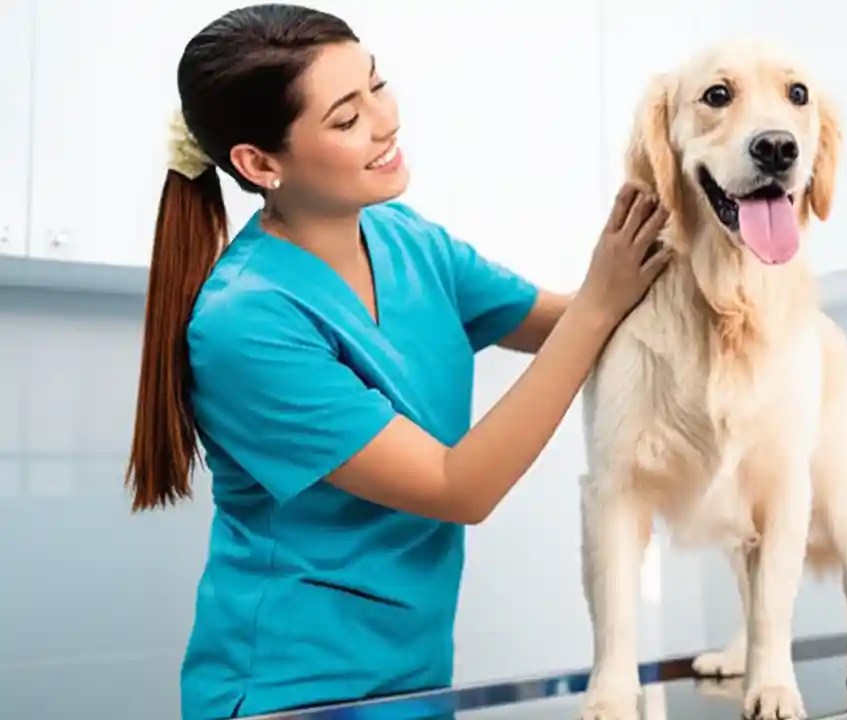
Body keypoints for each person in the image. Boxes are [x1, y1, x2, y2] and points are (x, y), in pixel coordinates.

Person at [123, 4, 671, 719]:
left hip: (417, 682)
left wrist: (694, 247)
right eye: (347, 118)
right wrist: (601, 301)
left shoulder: (406, 239)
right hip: (290, 695)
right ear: (260, 164)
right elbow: (459, 486)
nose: (386, 121)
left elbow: (566, 321)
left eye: (377, 85)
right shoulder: (245, 321)